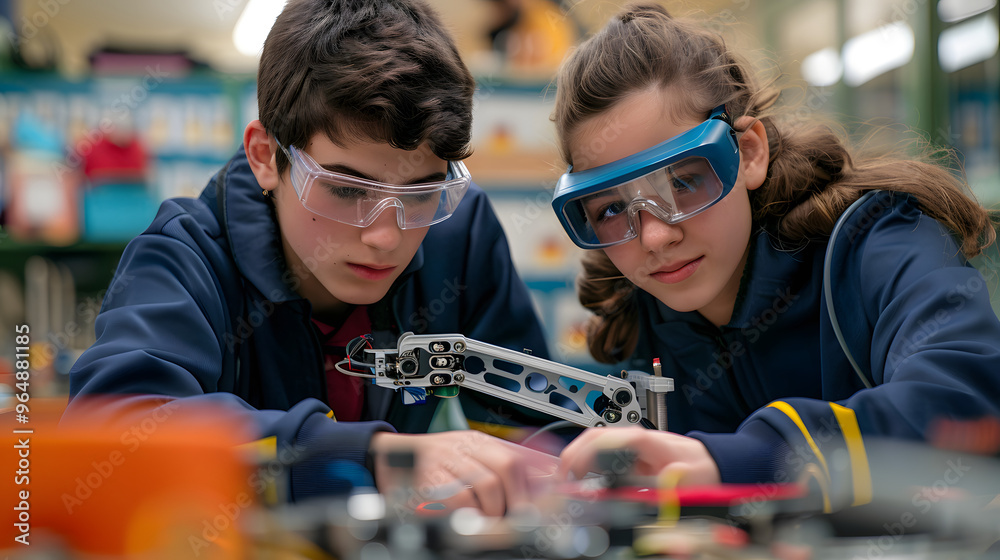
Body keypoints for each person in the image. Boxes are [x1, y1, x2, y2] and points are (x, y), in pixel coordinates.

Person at [67, 0, 558, 515]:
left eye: (418, 194)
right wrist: (370, 459)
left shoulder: (458, 231)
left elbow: (529, 426)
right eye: (347, 190)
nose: (385, 237)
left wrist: (577, 456)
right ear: (265, 157)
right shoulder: (184, 257)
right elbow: (110, 441)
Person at [549, 4, 1000, 510]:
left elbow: (968, 404)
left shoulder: (878, 244)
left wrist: (748, 458)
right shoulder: (640, 312)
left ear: (748, 152)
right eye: (612, 208)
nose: (653, 237)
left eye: (681, 182)